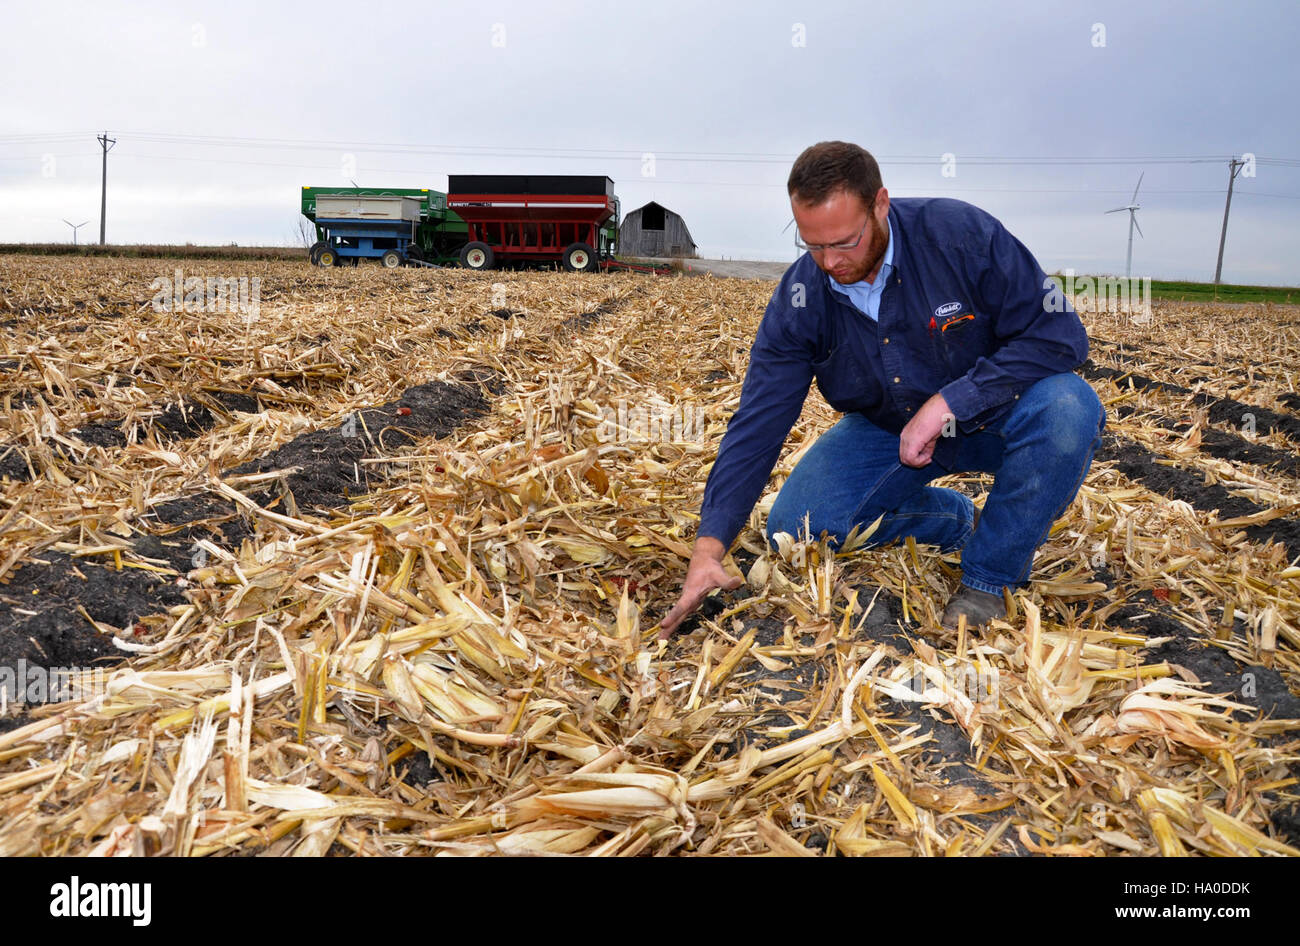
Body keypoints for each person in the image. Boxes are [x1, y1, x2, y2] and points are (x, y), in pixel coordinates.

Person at [659, 141, 1104, 638]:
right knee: (799, 528)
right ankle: (958, 521)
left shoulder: (963, 238)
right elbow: (758, 423)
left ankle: (989, 579)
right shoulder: (801, 298)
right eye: (813, 245)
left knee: (1069, 407)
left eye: (845, 242)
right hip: (889, 431)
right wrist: (708, 548)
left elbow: (1060, 335)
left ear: (881, 204)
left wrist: (949, 402)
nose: (829, 262)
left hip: (998, 415)